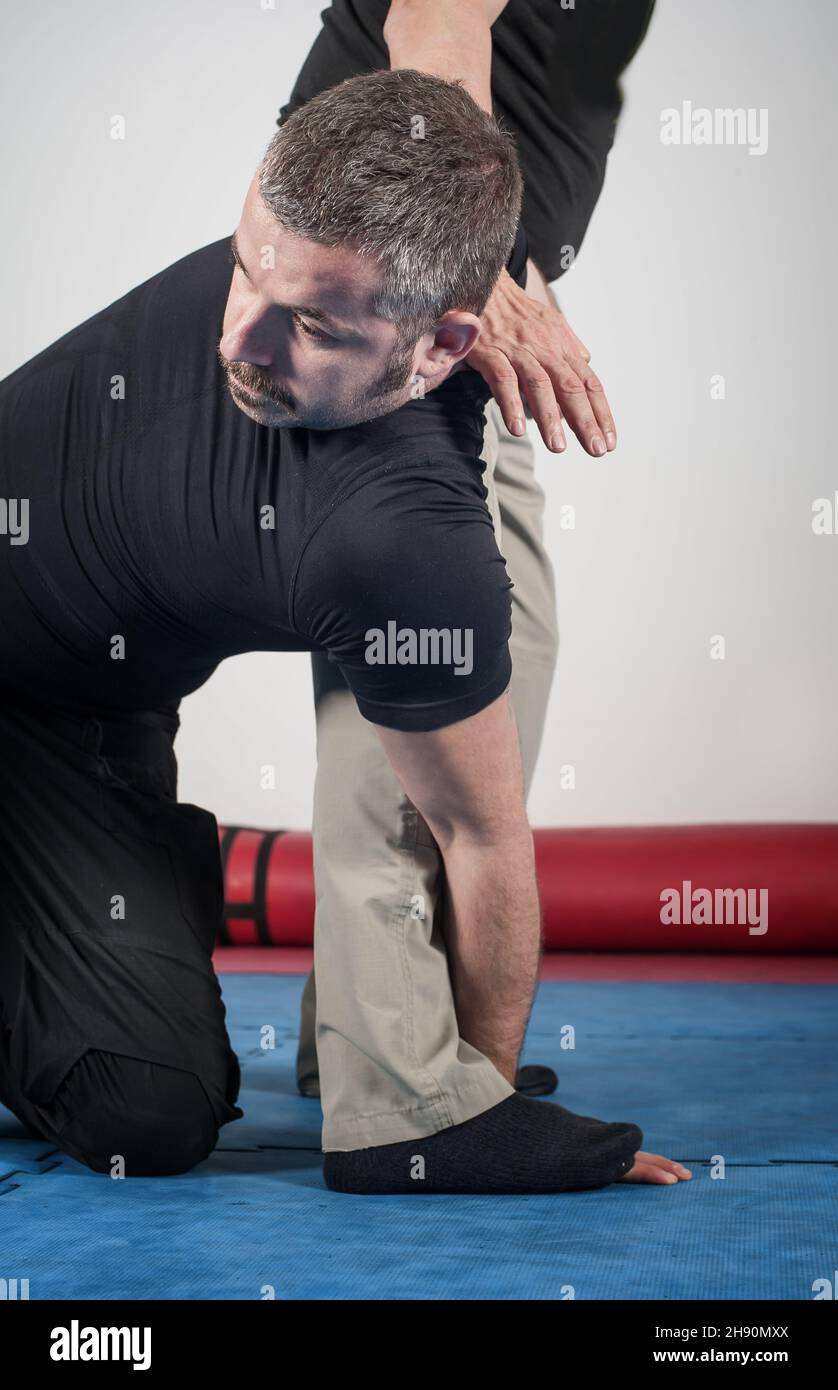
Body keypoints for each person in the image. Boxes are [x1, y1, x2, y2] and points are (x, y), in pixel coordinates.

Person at [0, 59, 684, 1193]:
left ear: (441, 347)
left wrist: (473, 1100)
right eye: (241, 273)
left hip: (71, 719)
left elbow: (480, 835)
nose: (240, 343)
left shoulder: (401, 534)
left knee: (149, 1112)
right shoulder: (311, 288)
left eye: (309, 323)